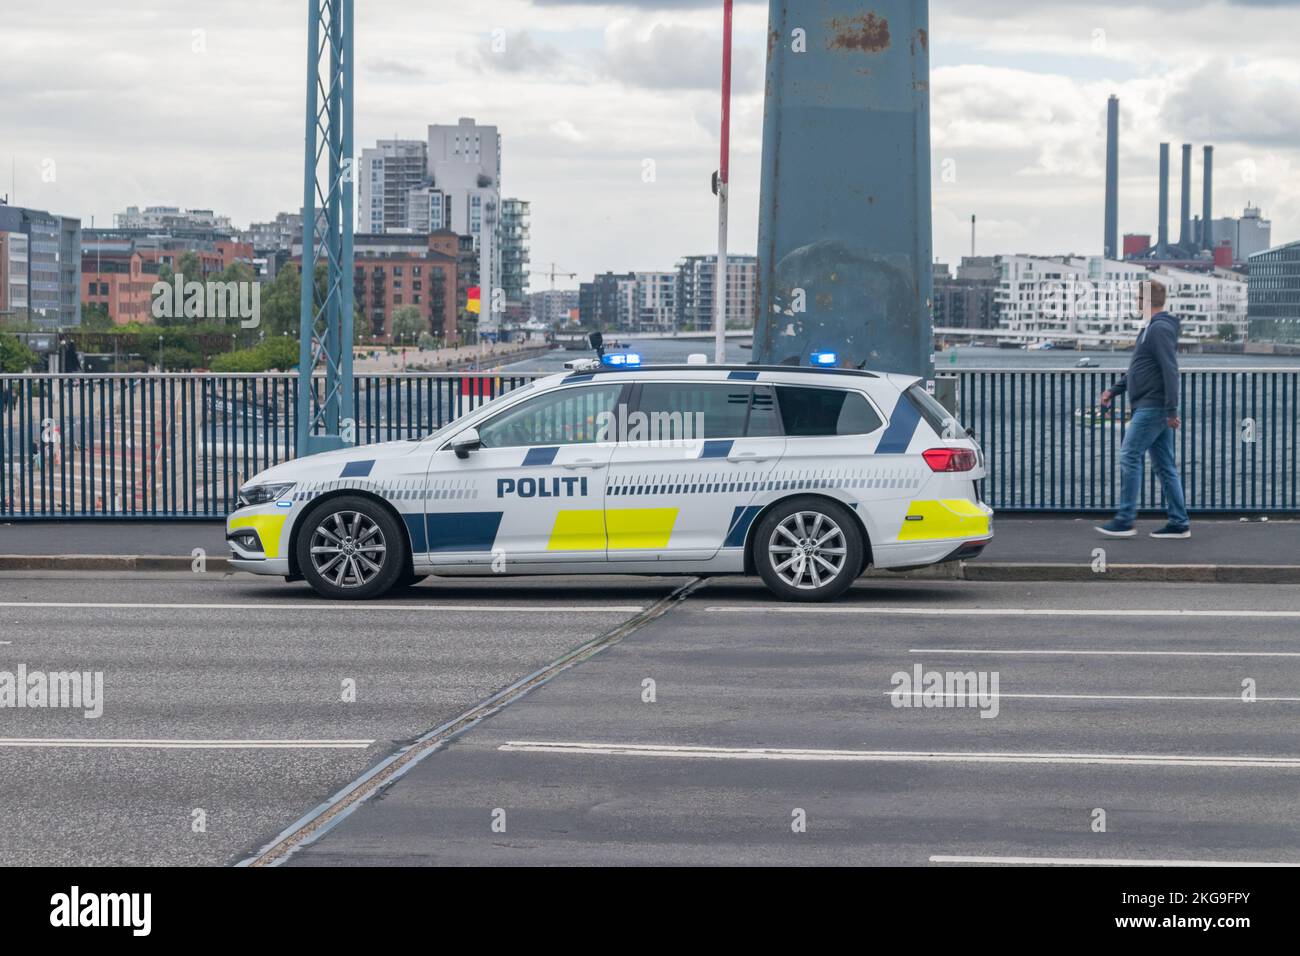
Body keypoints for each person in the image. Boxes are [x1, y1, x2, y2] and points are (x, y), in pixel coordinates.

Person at [1095, 279, 1190, 539]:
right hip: (1151, 406)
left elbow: (1170, 370)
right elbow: (1141, 368)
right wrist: (1113, 391)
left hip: (1153, 407)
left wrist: (1171, 411)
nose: (1136, 303)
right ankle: (1179, 522)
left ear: (1146, 301)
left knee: (1129, 455)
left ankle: (1125, 519)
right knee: (1164, 465)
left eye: (1138, 299)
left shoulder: (1159, 329)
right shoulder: (1150, 329)